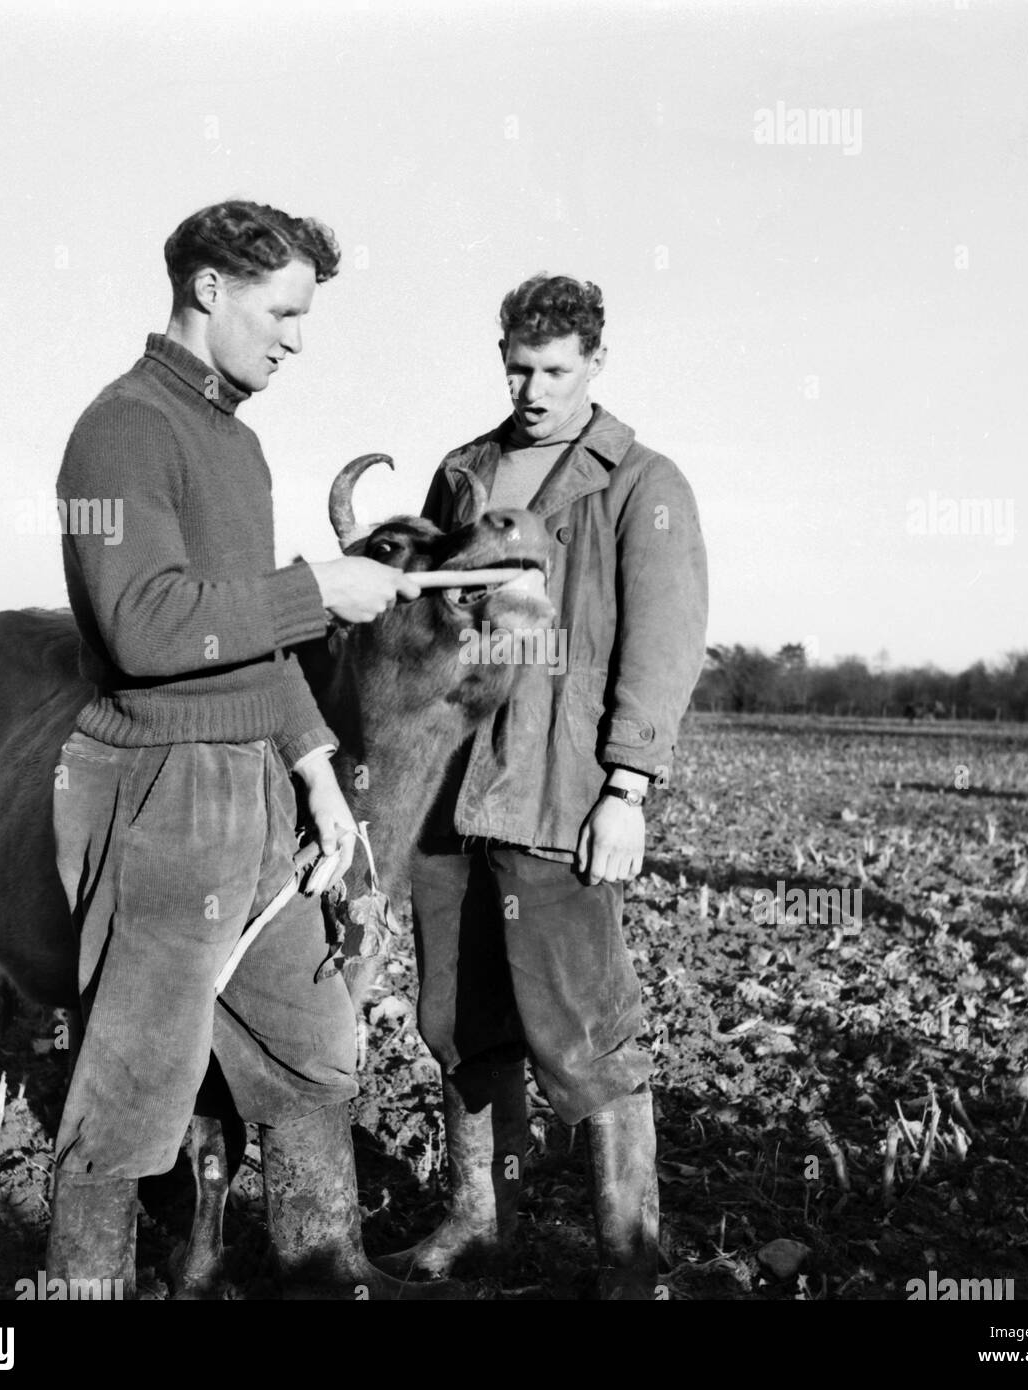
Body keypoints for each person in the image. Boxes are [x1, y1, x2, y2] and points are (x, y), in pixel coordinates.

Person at [49, 199, 424, 1297]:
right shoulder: (120, 430)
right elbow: (144, 624)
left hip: (257, 790)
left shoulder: (237, 443)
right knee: (128, 1102)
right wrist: (315, 591)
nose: (296, 340)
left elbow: (249, 649)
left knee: (316, 1048)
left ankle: (326, 1268)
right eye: (283, 311)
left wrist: (314, 766)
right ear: (209, 288)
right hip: (163, 798)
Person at [379, 273, 708, 1298]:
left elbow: (662, 645)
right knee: (458, 1019)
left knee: (583, 1037)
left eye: (555, 370)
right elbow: (422, 627)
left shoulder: (640, 484)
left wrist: (628, 789)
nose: (533, 388)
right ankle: (478, 1226)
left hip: (557, 795)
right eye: (518, 367)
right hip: (446, 795)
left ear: (595, 364)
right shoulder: (462, 472)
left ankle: (626, 1264)